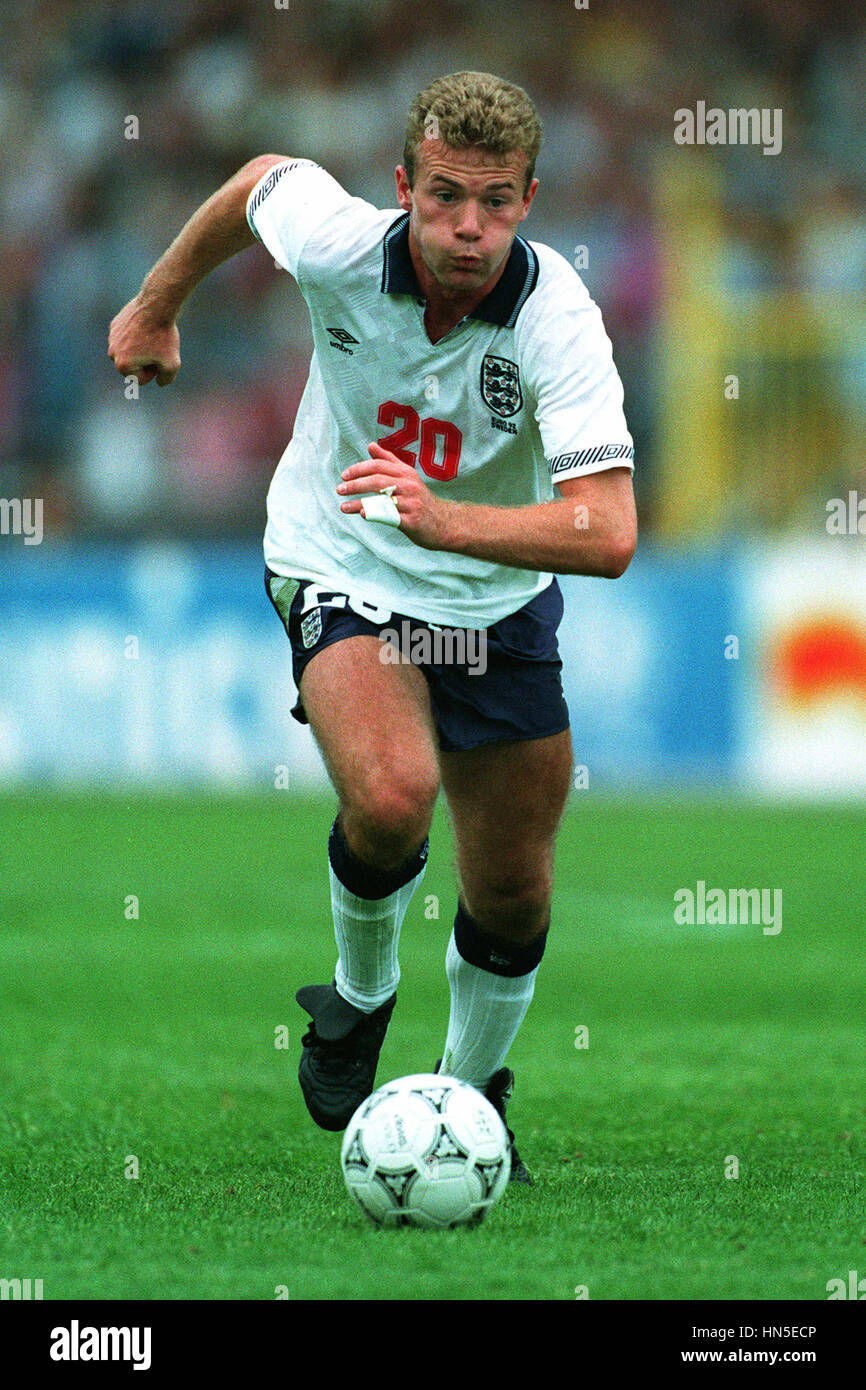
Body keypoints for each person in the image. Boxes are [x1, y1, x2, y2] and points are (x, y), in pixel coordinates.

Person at [108, 70, 637, 1185]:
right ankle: (355, 1000)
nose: (466, 226)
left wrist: (449, 521)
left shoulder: (558, 319)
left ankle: (464, 1098)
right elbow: (254, 185)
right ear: (401, 187)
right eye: (444, 196)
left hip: (489, 600)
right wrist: (158, 306)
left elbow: (607, 531)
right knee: (392, 794)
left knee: (512, 890)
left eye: (494, 202)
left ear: (529, 200)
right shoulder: (341, 239)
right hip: (337, 556)